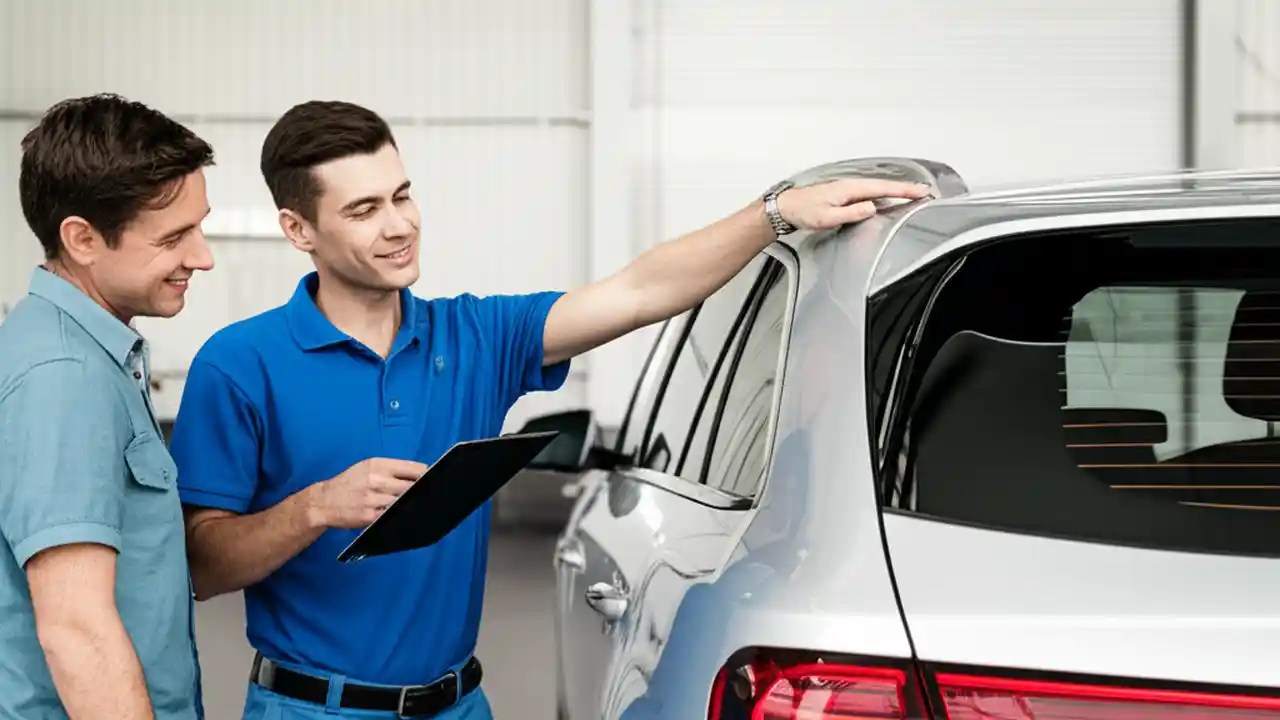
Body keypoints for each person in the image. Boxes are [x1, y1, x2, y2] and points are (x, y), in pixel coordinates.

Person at [168, 99, 928, 719]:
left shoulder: (476, 336)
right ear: (299, 230)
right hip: (313, 711)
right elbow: (201, 565)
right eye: (364, 210)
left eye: (402, 195)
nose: (398, 225)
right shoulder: (240, 366)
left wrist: (777, 213)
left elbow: (640, 291)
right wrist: (316, 507)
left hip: (461, 705)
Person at [0, 94, 216, 719]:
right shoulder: (62, 377)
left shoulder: (84, 352)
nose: (202, 256)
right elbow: (76, 629)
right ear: (83, 238)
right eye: (175, 237)